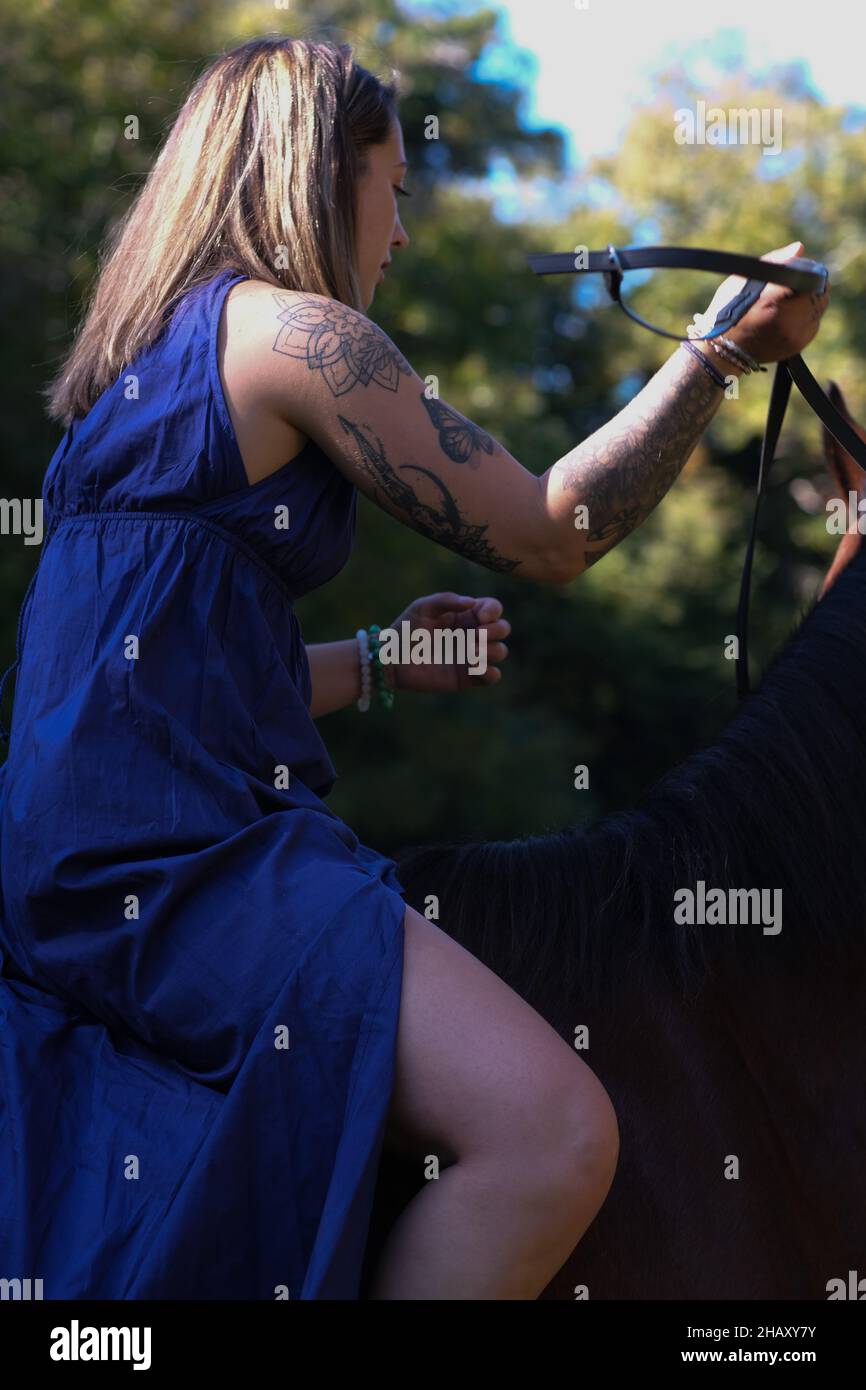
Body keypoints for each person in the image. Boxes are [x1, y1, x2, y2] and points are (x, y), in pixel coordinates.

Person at [0, 35, 828, 1301]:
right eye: (394, 188)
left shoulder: (131, 378)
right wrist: (714, 348)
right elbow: (553, 531)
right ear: (322, 177)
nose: (396, 235)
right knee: (550, 1134)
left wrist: (381, 663)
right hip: (182, 864)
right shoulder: (296, 336)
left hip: (87, 850)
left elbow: (146, 690)